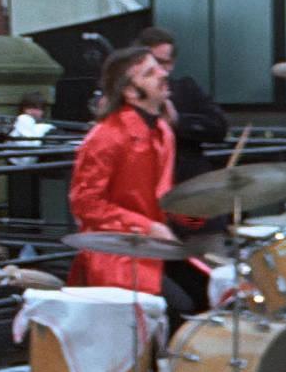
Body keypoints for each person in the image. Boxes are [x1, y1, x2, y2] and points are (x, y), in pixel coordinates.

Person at [67, 46, 198, 335]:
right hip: (116, 255)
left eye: (160, 68)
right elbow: (86, 204)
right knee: (180, 309)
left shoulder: (162, 131)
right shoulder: (105, 137)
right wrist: (147, 227)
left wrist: (200, 215)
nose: (164, 74)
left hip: (154, 248)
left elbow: (163, 196)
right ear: (129, 91)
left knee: (209, 295)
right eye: (150, 73)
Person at [135, 26, 228, 311]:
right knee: (168, 297)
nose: (158, 71)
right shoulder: (130, 100)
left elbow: (218, 127)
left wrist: (178, 121)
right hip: (153, 212)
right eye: (150, 63)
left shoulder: (185, 88)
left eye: (163, 63)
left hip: (192, 202)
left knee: (211, 281)